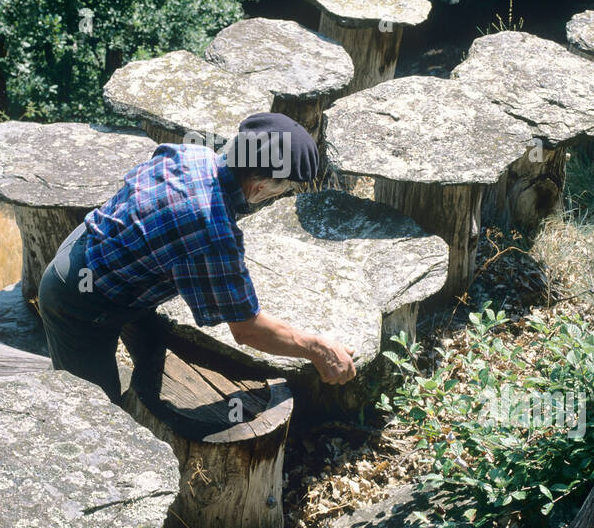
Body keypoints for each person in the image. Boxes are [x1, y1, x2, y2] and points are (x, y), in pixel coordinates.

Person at [37, 112, 357, 403]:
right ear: (260, 187)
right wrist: (316, 347)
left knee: (153, 352)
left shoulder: (193, 153)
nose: (278, 197)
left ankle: (145, 403)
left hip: (95, 247)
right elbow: (247, 330)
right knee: (93, 408)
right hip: (76, 301)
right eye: (282, 190)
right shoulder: (209, 228)